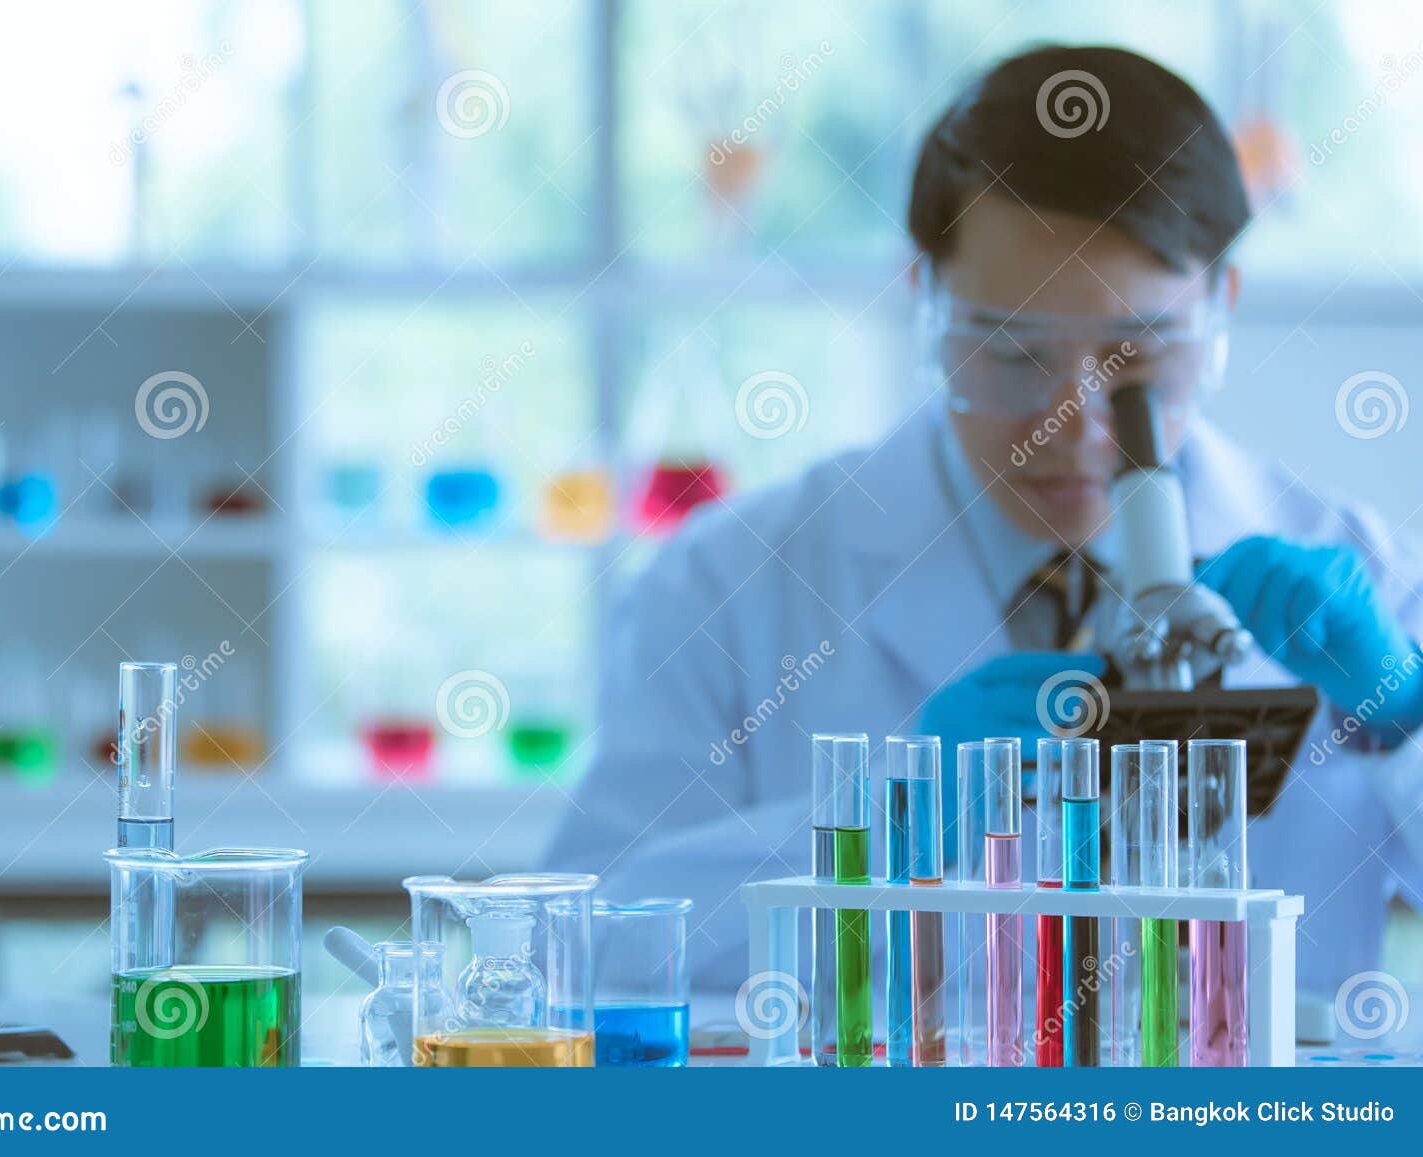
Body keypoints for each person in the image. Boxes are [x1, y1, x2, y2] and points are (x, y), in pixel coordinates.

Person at [543, 45, 1423, 1000]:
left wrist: (1405, 716)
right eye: (1012, 353)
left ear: (1223, 310)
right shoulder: (729, 586)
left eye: (1136, 358)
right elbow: (584, 951)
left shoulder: (1369, 569)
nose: (1077, 423)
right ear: (925, 301)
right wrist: (882, 815)